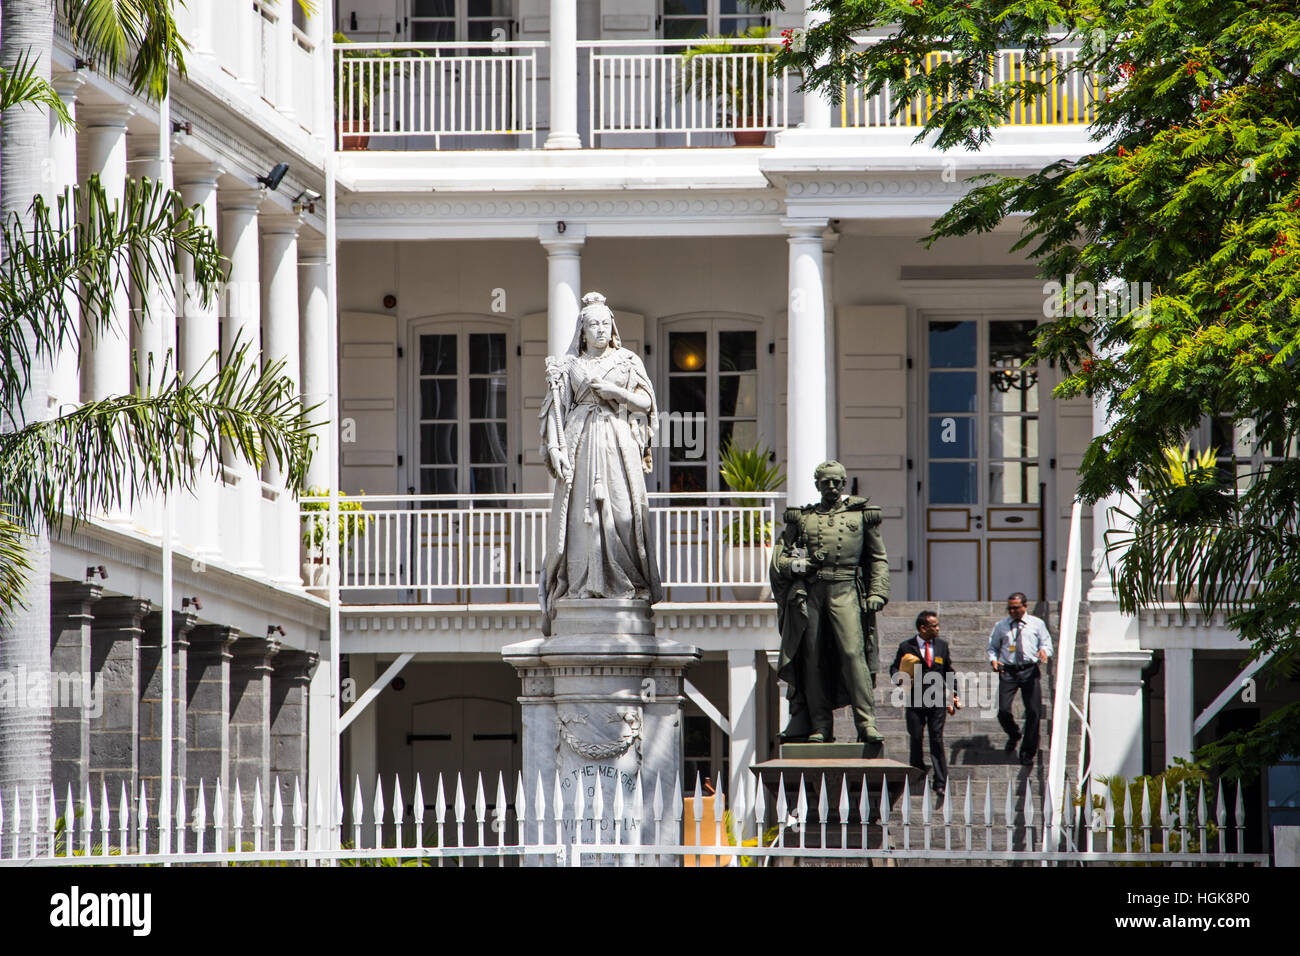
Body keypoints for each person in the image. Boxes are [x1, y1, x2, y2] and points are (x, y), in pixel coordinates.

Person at [537, 292, 662, 636]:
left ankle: (628, 582)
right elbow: (553, 410)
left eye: (606, 323)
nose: (601, 329)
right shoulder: (568, 366)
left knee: (622, 509)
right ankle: (581, 583)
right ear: (583, 330)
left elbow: (646, 403)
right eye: (594, 324)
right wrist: (555, 448)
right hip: (579, 442)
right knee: (581, 517)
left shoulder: (627, 361)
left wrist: (615, 393)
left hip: (618, 443)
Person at [771, 461, 889, 744]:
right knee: (812, 660)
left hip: (846, 589)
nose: (832, 487)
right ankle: (821, 725)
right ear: (817, 485)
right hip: (812, 592)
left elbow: (877, 559)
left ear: (844, 483)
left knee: (852, 654)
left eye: (837, 482)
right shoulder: (802, 519)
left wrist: (877, 593)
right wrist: (806, 565)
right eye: (826, 482)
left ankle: (866, 723)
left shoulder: (862, 516)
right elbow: (781, 561)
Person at [890, 610, 960, 798]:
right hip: (915, 699)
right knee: (915, 736)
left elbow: (948, 670)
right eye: (934, 625)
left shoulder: (942, 646)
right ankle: (917, 773)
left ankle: (940, 782)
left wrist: (954, 694)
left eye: (937, 625)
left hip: (937, 699)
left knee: (936, 738)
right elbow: (895, 668)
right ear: (923, 628)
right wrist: (900, 678)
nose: (937, 628)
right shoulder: (906, 646)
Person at [986, 591, 1052, 766]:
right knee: (1002, 709)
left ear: (1025, 606)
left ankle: (1027, 753)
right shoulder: (1001, 625)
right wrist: (993, 660)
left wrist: (1044, 651)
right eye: (1010, 608)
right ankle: (1014, 733)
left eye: (1016, 608)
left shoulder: (1037, 624)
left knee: (1033, 711)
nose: (1012, 611)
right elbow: (992, 647)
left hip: (1029, 670)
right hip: (1008, 671)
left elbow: (1046, 643)